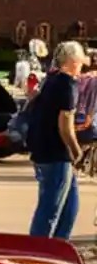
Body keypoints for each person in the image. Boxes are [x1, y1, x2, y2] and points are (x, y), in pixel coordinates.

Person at [26, 41, 85, 240]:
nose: (82, 64)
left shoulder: (51, 80)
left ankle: (58, 249)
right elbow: (65, 124)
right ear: (72, 61)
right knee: (50, 210)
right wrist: (77, 151)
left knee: (70, 208)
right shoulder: (68, 85)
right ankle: (38, 253)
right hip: (55, 154)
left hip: (43, 150)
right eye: (80, 60)